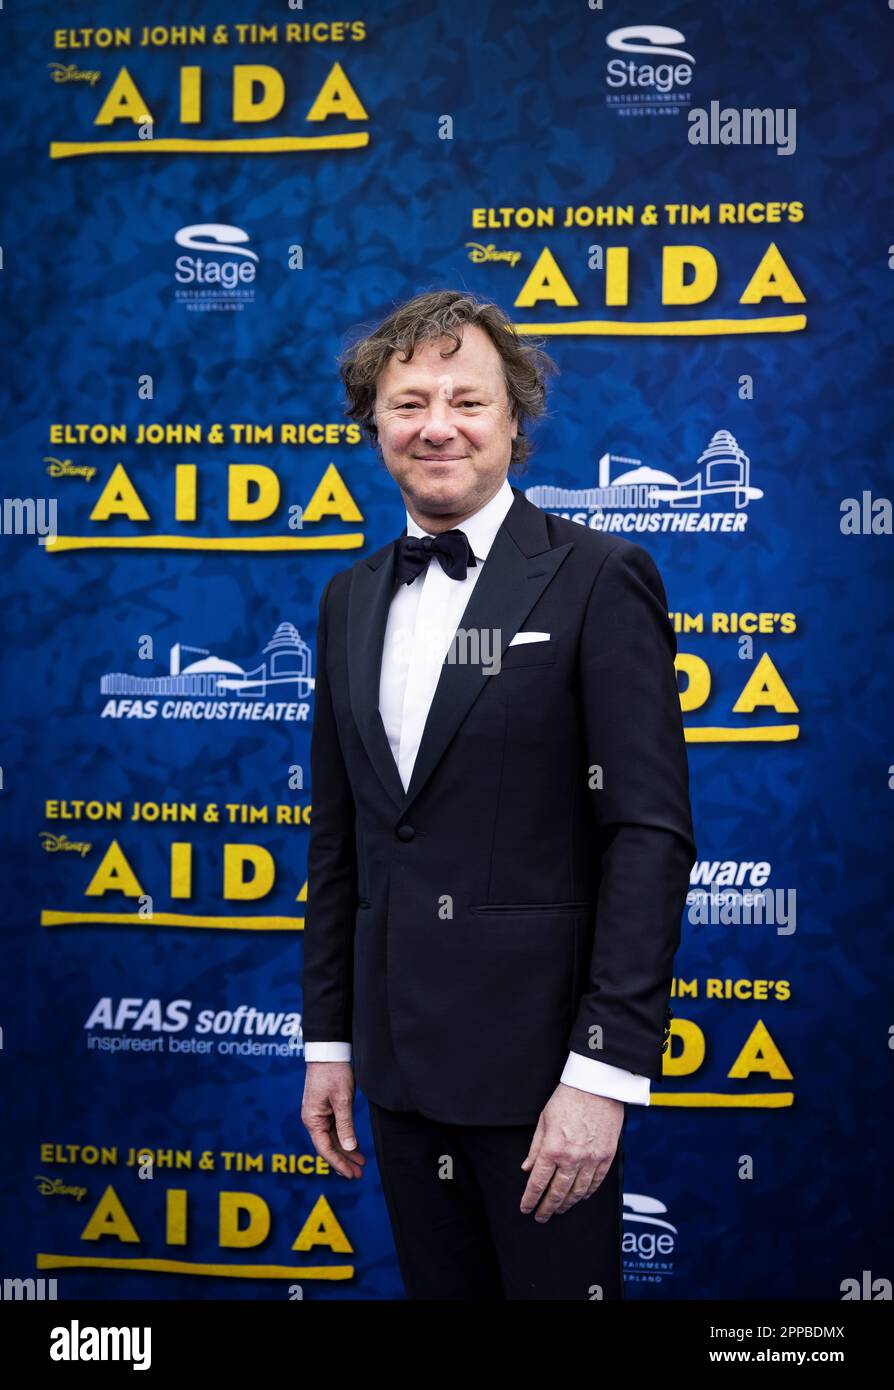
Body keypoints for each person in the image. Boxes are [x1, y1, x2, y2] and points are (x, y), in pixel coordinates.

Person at [300, 289, 696, 1300]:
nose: (438, 426)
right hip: (396, 1074)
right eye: (410, 403)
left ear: (515, 420)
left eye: (467, 400)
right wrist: (331, 1042)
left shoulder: (600, 576)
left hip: (543, 1079)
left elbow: (647, 835)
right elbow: (341, 844)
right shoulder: (347, 597)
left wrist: (600, 1075)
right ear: (374, 424)